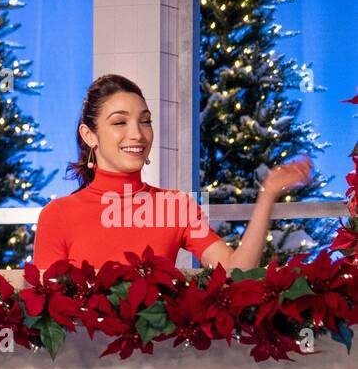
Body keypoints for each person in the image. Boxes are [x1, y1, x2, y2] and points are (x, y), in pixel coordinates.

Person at [33, 73, 312, 271]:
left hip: (158, 354)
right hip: (83, 354)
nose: (137, 134)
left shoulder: (175, 207)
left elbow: (235, 274)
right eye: (120, 122)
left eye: (145, 122)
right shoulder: (57, 216)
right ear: (89, 134)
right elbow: (48, 314)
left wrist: (267, 196)